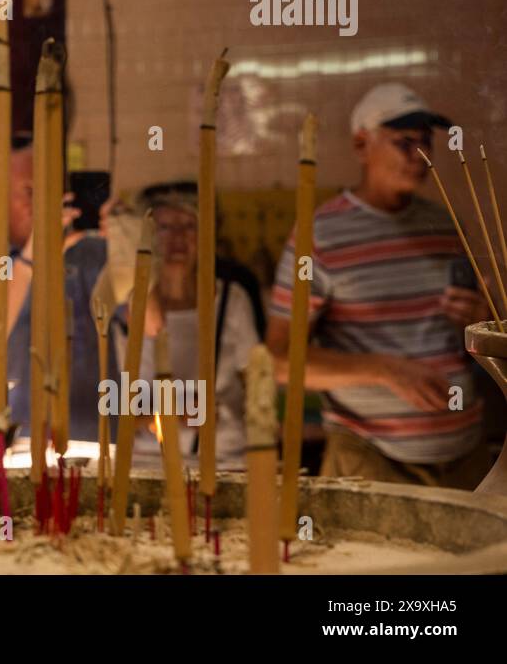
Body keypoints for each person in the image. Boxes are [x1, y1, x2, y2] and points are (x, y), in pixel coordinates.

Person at [267, 83, 490, 488]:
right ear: (361, 144)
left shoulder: (443, 225)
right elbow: (279, 361)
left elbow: (465, 338)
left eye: (426, 143)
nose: (419, 155)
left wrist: (481, 320)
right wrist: (384, 370)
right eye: (404, 142)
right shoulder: (321, 235)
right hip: (372, 462)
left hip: (465, 459)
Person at [0, 142, 117, 442]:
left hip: (94, 443)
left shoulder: (90, 255)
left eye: (52, 192)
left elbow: (151, 324)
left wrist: (128, 249)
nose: (44, 205)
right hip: (11, 444)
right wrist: (32, 257)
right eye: (31, 192)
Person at [111, 183, 259, 466]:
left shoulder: (232, 299)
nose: (178, 238)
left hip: (223, 459)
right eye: (165, 228)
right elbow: (112, 398)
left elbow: (256, 384)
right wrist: (159, 415)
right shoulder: (128, 305)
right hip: (147, 462)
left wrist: (221, 413)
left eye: (189, 226)